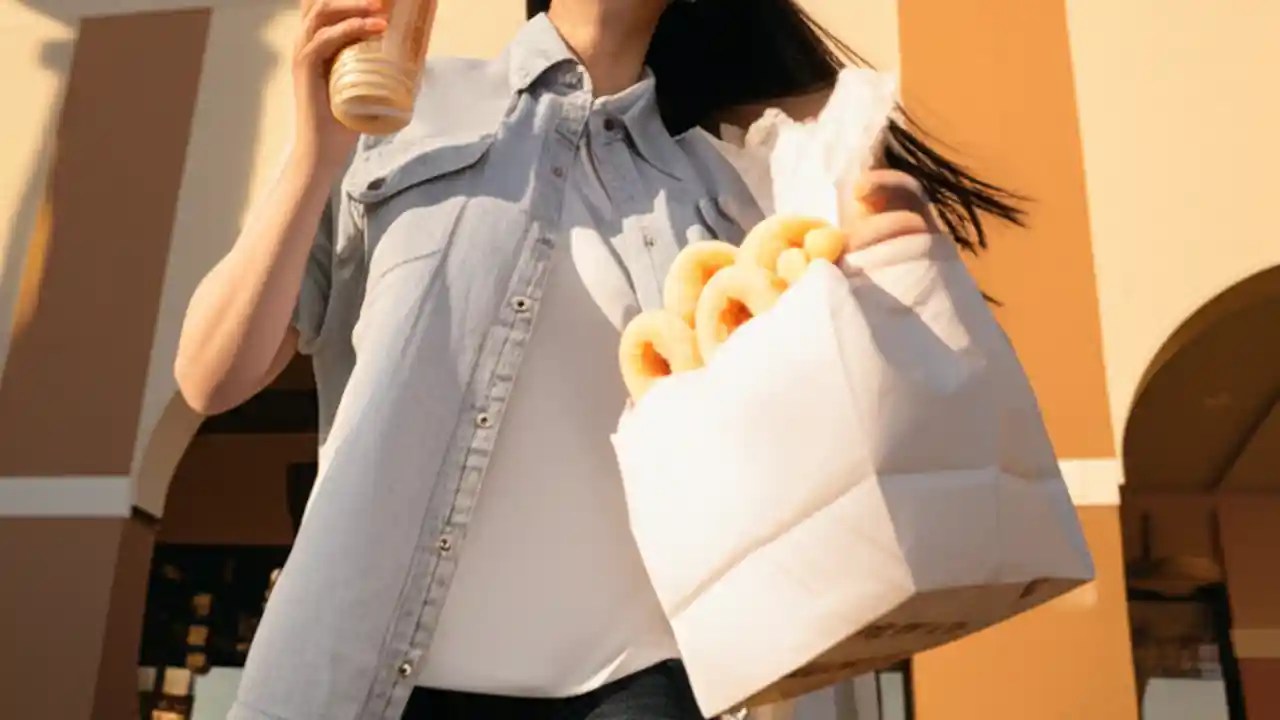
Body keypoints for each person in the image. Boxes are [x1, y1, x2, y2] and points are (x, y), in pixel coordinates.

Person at [174, 1, 1021, 719]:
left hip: (637, 687)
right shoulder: (400, 114)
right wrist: (313, 155)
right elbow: (211, 375)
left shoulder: (723, 186)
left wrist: (884, 234)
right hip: (370, 686)